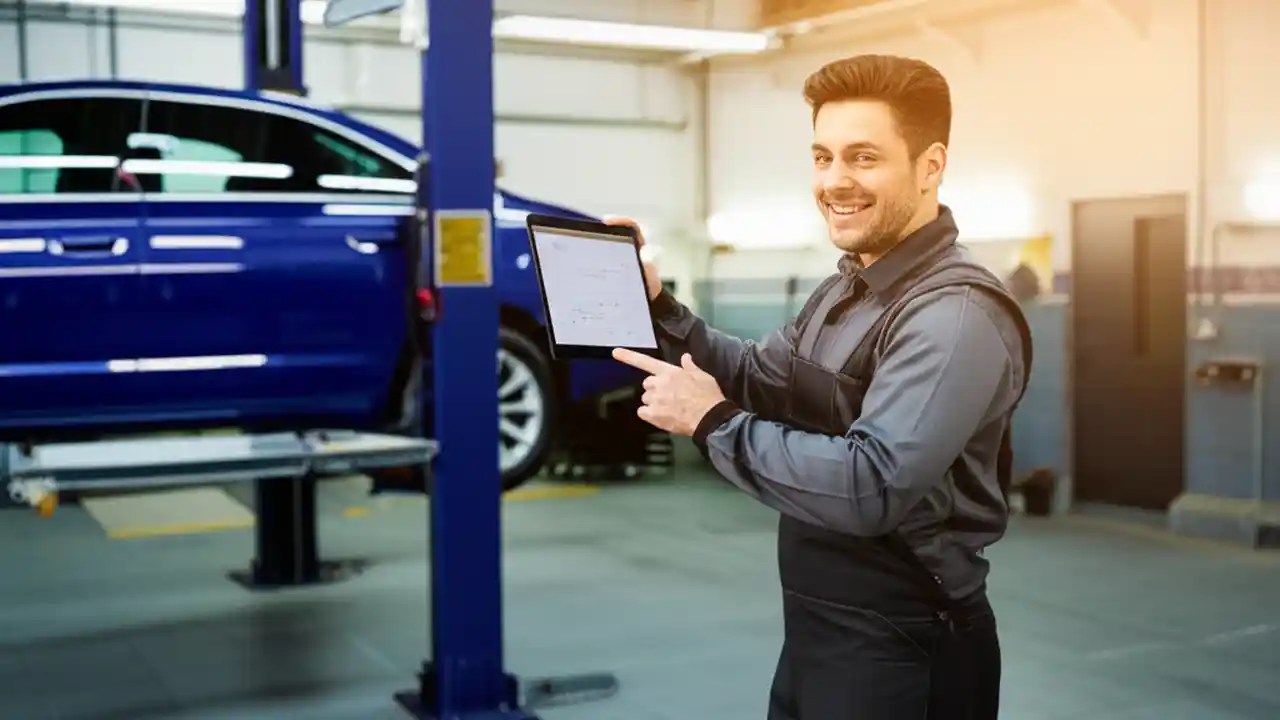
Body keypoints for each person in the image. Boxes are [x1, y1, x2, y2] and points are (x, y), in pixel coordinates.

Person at [607, 53, 1033, 719]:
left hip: (906, 646)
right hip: (820, 633)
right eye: (822, 157)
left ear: (930, 166)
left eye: (864, 157)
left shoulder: (954, 315)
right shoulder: (848, 289)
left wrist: (713, 423)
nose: (835, 180)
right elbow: (757, 376)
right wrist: (660, 308)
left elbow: (873, 484)